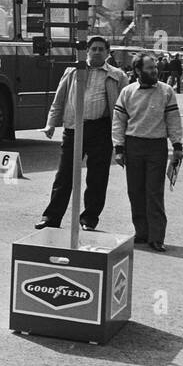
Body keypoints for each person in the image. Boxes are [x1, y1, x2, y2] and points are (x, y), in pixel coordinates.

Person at [36, 35, 129, 232]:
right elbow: (59, 100)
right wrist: (51, 123)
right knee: (64, 175)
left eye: (100, 49)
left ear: (107, 52)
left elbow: (124, 107)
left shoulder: (117, 75)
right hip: (73, 128)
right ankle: (51, 217)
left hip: (101, 130)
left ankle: (89, 219)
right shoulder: (72, 71)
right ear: (87, 51)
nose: (96, 52)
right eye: (93, 48)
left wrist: (122, 136)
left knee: (97, 177)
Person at [113, 53, 183, 251]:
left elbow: (173, 120)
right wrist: (118, 148)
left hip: (156, 147)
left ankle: (156, 237)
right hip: (133, 145)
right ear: (137, 71)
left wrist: (177, 146)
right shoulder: (127, 92)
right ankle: (142, 233)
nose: (155, 71)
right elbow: (119, 122)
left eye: (155, 67)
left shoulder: (166, 91)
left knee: (154, 192)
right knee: (135, 191)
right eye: (150, 68)